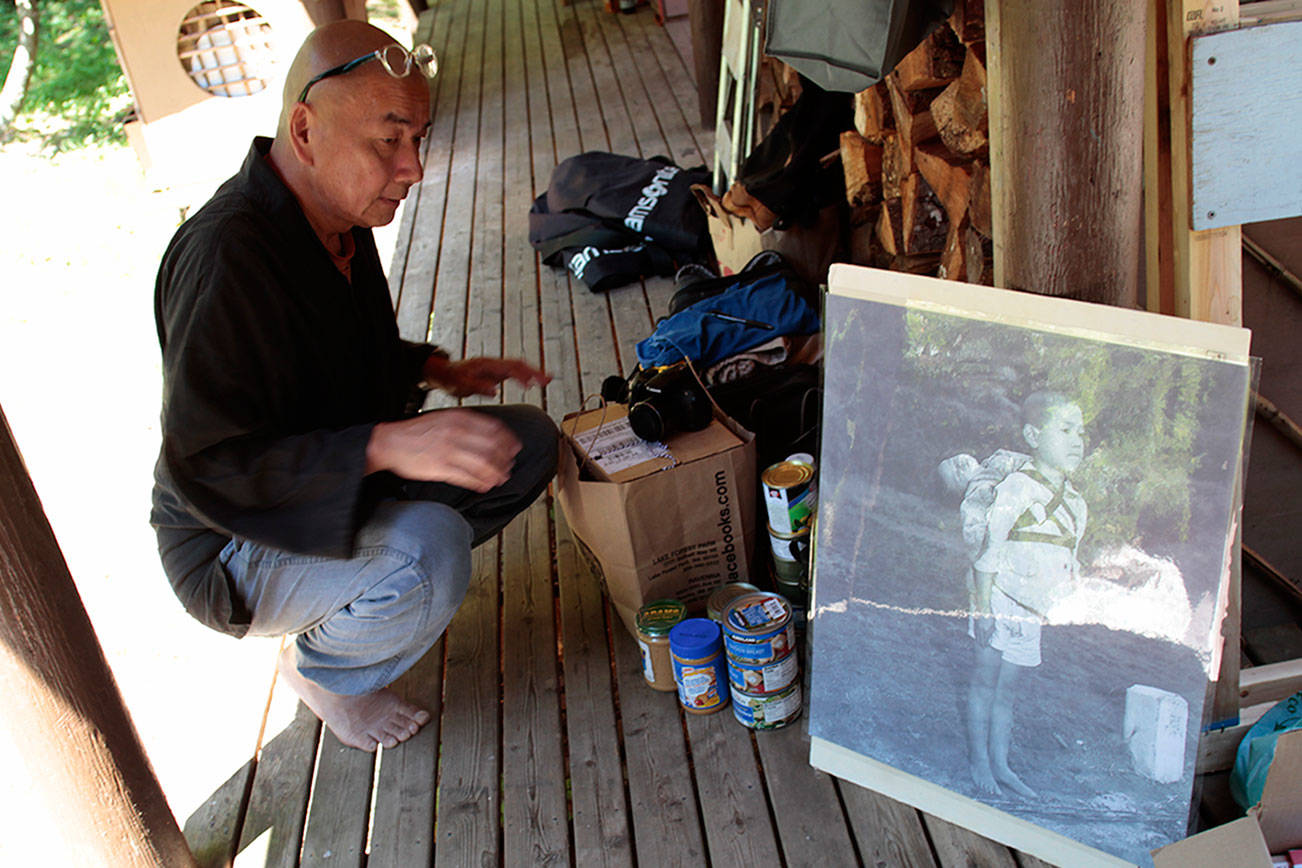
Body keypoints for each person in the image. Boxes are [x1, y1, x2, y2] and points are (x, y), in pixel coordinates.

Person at [150, 21, 559, 752]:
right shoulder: (225, 258)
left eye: (420, 139)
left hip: (317, 492)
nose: (414, 168)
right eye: (388, 141)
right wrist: (386, 442)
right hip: (230, 542)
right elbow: (212, 465)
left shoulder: (335, 214)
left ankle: (350, 596)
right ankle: (327, 672)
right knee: (429, 551)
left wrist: (437, 371)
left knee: (523, 443)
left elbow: (325, 353)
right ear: (304, 131)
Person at [964, 391, 1087, 798]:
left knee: (1008, 692)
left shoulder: (1077, 503)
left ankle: (1002, 765)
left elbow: (1068, 561)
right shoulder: (1018, 486)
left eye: (1081, 432)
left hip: (1029, 613)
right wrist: (983, 610)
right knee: (985, 683)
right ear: (1033, 435)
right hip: (997, 601)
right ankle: (980, 762)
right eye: (1065, 430)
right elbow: (990, 550)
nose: (1076, 440)